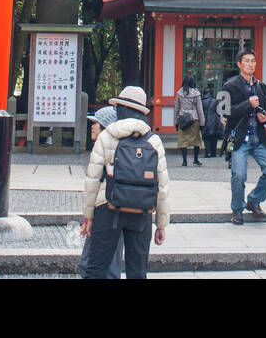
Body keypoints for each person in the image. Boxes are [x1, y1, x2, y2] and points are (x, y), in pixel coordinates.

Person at [80, 86, 170, 279]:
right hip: (142, 211)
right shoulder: (153, 141)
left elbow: (93, 180)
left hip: (108, 207)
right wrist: (161, 224)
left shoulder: (106, 137)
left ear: (120, 109)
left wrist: (88, 217)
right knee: (137, 272)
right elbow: (162, 186)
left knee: (96, 270)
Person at [223, 49, 266, 226]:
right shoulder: (229, 86)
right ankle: (237, 210)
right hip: (239, 138)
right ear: (239, 64)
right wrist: (248, 105)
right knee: (238, 175)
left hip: (259, 138)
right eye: (247, 61)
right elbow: (223, 111)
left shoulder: (262, 87)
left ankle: (254, 200)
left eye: (253, 61)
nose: (250, 64)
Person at [77, 106, 123, 279]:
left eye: (95, 123)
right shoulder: (118, 147)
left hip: (103, 208)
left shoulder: (103, 148)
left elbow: (93, 184)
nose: (92, 126)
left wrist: (88, 217)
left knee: (91, 262)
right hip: (117, 205)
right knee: (110, 263)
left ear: (105, 126)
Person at [175, 75, 206, 166]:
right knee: (196, 140)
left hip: (182, 118)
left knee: (183, 140)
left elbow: (177, 108)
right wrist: (202, 122)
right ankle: (195, 159)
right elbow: (200, 109)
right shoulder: (196, 93)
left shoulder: (179, 93)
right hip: (194, 119)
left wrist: (176, 122)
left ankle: (184, 161)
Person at [201, 83, 224, 158]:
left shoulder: (202, 101)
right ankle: (213, 153)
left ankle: (207, 153)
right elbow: (219, 112)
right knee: (214, 138)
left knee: (206, 137)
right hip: (214, 120)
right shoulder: (215, 101)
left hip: (205, 120)